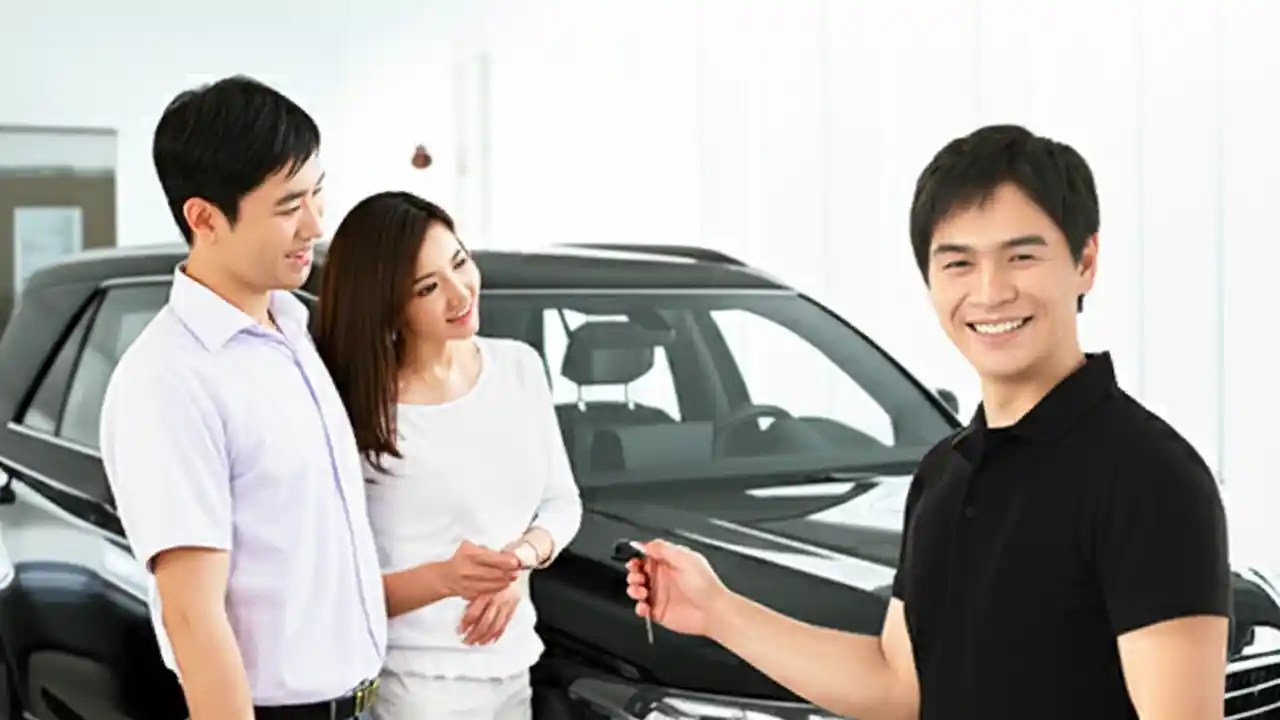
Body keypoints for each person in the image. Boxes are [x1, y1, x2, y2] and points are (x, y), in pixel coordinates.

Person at [624, 124, 1231, 719]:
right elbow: (899, 686)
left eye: (1021, 256)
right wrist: (718, 613)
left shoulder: (1150, 475)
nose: (990, 293)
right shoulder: (946, 473)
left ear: (1085, 261)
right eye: (958, 264)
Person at [99, 75, 402, 719]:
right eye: (290, 205)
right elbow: (191, 613)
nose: (317, 225)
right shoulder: (168, 378)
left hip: (361, 701)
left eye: (317, 193)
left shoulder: (292, 329)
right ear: (204, 218)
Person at [314, 191, 583, 720]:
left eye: (460, 262)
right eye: (428, 287)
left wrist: (520, 562)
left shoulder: (519, 367)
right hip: (412, 689)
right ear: (388, 303)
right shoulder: (358, 410)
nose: (460, 294)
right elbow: (334, 592)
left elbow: (562, 502)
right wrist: (447, 578)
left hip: (512, 673)